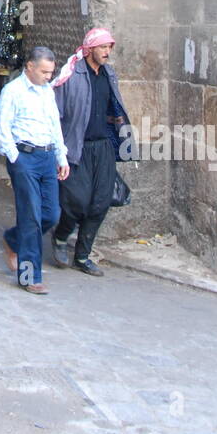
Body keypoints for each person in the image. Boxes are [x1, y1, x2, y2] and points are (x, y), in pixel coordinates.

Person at [51, 28, 133, 276]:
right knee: (76, 200)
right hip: (78, 147)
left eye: (109, 47)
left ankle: (83, 256)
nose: (107, 52)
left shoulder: (109, 74)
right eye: (102, 47)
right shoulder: (71, 76)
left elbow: (114, 106)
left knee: (100, 202)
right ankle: (61, 236)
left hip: (103, 147)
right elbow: (57, 114)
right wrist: (59, 150)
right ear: (89, 49)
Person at [0, 46, 69, 294]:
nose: (48, 77)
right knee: (30, 217)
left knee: (51, 214)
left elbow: (54, 124)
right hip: (24, 157)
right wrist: (14, 157)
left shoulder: (47, 92)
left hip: (47, 157)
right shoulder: (12, 91)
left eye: (51, 72)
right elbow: (2, 126)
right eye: (44, 72)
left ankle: (12, 240)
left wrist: (61, 156)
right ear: (30, 67)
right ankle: (29, 277)